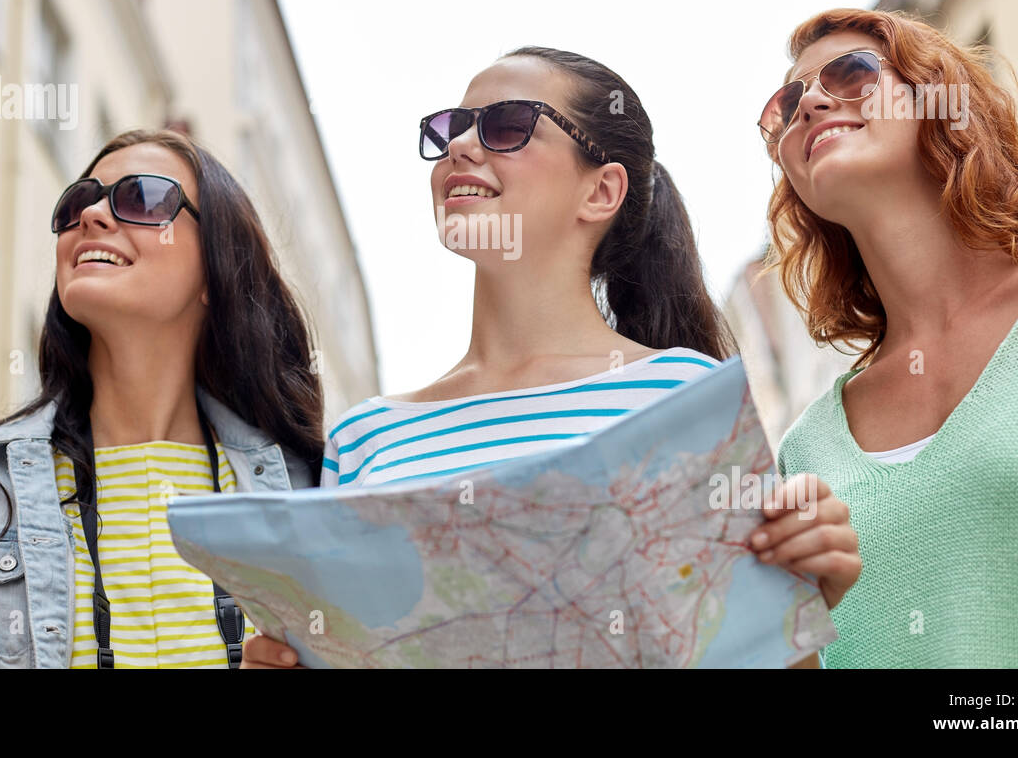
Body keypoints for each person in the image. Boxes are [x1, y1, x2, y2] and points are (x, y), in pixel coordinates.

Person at [242, 45, 862, 668]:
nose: (461, 146)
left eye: (506, 125)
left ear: (601, 190)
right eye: (451, 128)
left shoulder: (685, 395)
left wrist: (794, 593)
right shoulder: (363, 440)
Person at [0, 129, 324, 668]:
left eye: (141, 197)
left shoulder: (310, 490)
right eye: (76, 204)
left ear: (215, 267)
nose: (91, 215)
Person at [763, 7, 1018, 667]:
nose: (810, 101)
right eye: (787, 102)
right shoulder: (802, 455)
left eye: (849, 74)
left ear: (938, 101)